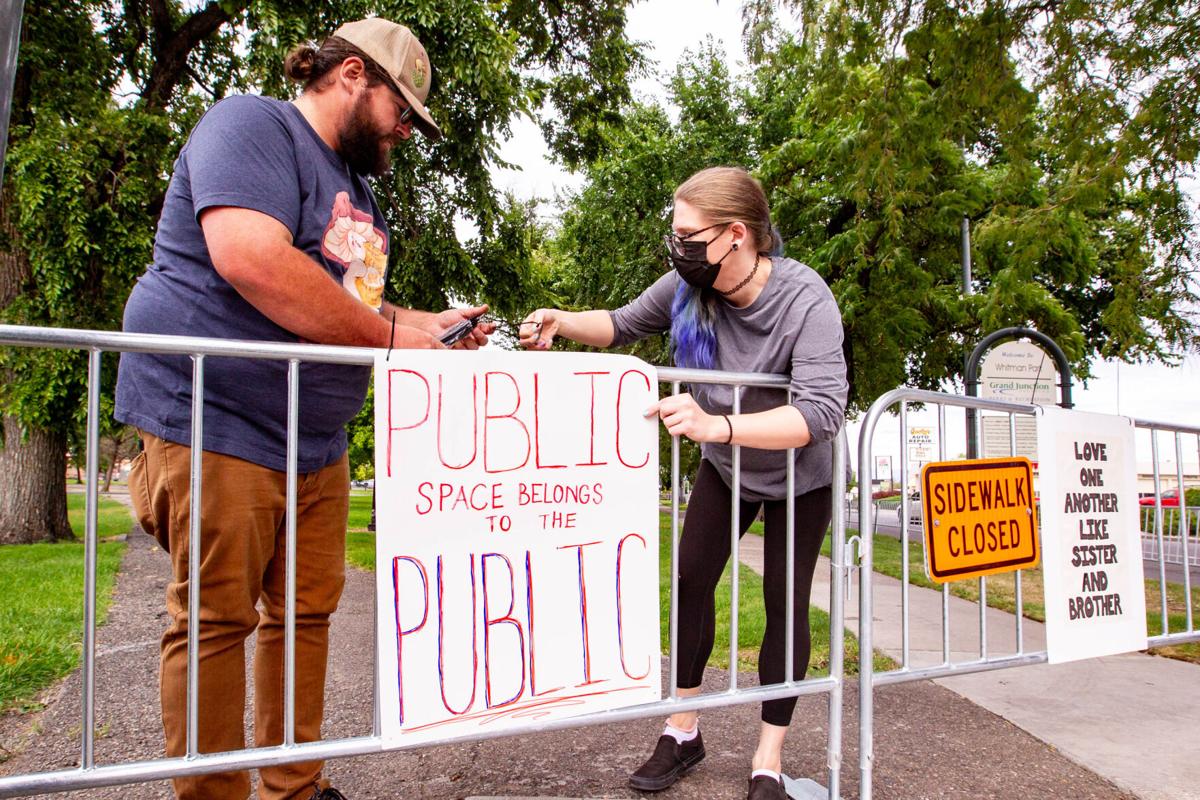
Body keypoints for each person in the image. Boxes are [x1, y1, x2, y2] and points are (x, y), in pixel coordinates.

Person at [115, 18, 492, 800]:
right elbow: (250, 255)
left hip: (315, 442)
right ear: (353, 75)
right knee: (217, 620)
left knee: (303, 617)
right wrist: (395, 338)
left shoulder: (359, 197)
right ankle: (213, 795)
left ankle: (297, 786)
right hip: (215, 421)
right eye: (402, 114)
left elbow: (357, 311)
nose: (404, 136)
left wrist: (437, 327)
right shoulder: (253, 125)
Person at [519, 166, 847, 800]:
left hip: (797, 477)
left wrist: (719, 425)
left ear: (736, 235)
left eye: (688, 235)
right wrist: (563, 322)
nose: (678, 248)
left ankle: (768, 762)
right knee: (692, 582)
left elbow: (821, 413)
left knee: (785, 603)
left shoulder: (807, 299)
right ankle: (683, 730)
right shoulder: (686, 289)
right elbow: (619, 324)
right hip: (728, 468)